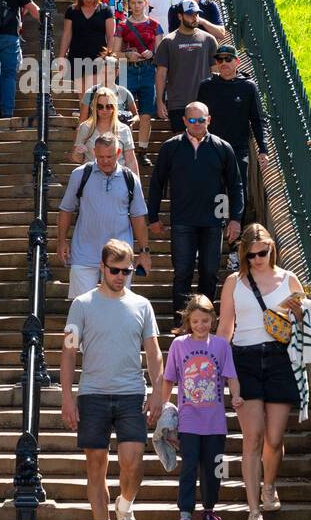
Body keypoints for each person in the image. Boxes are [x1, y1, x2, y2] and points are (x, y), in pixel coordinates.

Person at [61, 240, 163, 520]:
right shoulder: (81, 304)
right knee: (96, 467)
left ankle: (125, 507)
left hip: (132, 392)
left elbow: (154, 353)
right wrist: (67, 396)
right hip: (92, 394)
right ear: (102, 268)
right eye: (115, 270)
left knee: (134, 462)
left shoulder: (142, 305)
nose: (121, 276)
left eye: (126, 271)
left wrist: (159, 392)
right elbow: (67, 352)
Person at [217, 224, 305, 520]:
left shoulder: (289, 279)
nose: (256, 259)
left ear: (271, 248)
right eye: (250, 254)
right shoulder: (234, 282)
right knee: (252, 437)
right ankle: (254, 512)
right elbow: (225, 328)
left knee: (274, 438)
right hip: (245, 358)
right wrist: (219, 366)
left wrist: (300, 312)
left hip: (280, 358)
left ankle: (269, 486)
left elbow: (305, 326)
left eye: (262, 253)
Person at [148, 100, 243, 320]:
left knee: (210, 273)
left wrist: (235, 218)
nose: (197, 124)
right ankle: (181, 323)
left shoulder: (222, 147)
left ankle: (205, 321)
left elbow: (235, 185)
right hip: (182, 221)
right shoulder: (171, 147)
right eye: (192, 120)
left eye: (201, 120)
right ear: (184, 121)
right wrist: (153, 216)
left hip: (212, 221)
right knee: (182, 273)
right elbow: (157, 182)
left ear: (209, 119)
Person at [162, 295, 242, 520]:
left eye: (205, 320)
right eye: (195, 321)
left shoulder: (221, 346)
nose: (200, 325)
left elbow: (231, 376)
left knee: (213, 470)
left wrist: (237, 397)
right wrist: (165, 409)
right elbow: (168, 379)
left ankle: (209, 512)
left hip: (215, 422)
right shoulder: (178, 345)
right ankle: (185, 517)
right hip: (188, 421)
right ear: (188, 321)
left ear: (213, 320)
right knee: (188, 469)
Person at [58, 137, 150, 299]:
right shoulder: (80, 175)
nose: (105, 161)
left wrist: (144, 251)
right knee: (81, 308)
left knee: (118, 309)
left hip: (120, 257)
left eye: (110, 156)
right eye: (101, 157)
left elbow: (138, 217)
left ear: (119, 153)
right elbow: (66, 210)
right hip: (83, 253)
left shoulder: (131, 179)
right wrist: (61, 241)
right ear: (94, 153)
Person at [198, 41, 268, 219]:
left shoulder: (248, 87)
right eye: (219, 60)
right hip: (212, 147)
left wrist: (263, 148)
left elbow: (258, 120)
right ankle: (220, 227)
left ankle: (236, 229)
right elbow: (198, 120)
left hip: (238, 148)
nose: (223, 63)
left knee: (238, 188)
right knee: (216, 189)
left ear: (237, 62)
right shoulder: (207, 87)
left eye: (227, 59)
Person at [154, 0, 218, 133]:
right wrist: (160, 102)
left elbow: (215, 72)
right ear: (180, 16)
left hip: (204, 103)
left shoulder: (209, 40)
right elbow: (161, 74)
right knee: (181, 145)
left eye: (196, 14)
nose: (194, 18)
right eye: (189, 14)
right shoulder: (168, 41)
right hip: (178, 103)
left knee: (203, 144)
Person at [112, 0, 162, 152]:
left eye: (140, 2)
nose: (137, 6)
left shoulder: (155, 25)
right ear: (129, 5)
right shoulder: (123, 26)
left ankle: (142, 150)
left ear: (145, 3)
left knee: (146, 113)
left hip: (148, 70)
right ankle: (125, 147)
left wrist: (152, 54)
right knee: (123, 111)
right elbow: (114, 53)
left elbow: (160, 53)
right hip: (128, 70)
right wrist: (127, 55)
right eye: (133, 3)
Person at [58, 0, 115, 96]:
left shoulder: (105, 10)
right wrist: (61, 58)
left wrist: (109, 56)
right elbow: (67, 35)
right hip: (77, 54)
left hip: (97, 55)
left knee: (92, 91)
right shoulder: (72, 10)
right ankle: (84, 114)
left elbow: (110, 36)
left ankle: (91, 113)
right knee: (81, 94)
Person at [72, 87, 138, 174]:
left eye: (109, 106)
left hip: (118, 179)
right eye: (100, 106)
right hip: (92, 178)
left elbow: (131, 160)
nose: (104, 110)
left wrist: (136, 185)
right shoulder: (85, 128)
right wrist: (78, 152)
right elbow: (77, 159)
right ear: (94, 107)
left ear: (114, 107)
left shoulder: (124, 129)